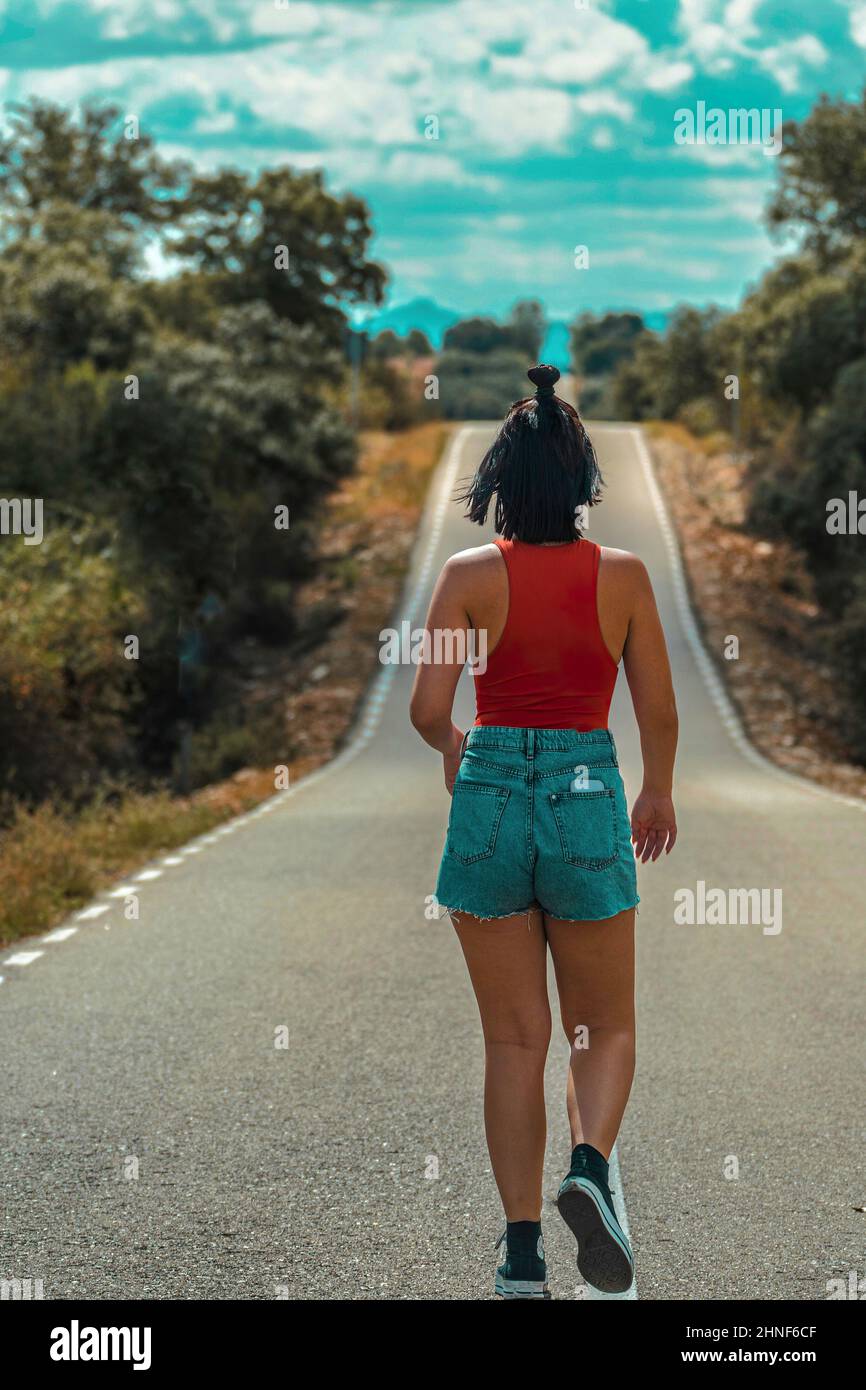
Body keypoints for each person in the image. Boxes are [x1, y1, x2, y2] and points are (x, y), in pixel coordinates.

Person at [410, 364, 678, 1299]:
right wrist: (658, 795)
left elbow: (426, 707)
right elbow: (659, 709)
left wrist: (459, 750)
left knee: (515, 1044)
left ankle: (522, 1258)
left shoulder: (468, 576)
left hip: (488, 795)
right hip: (584, 788)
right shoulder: (626, 578)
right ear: (581, 483)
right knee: (602, 1026)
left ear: (499, 484)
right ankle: (591, 1172)